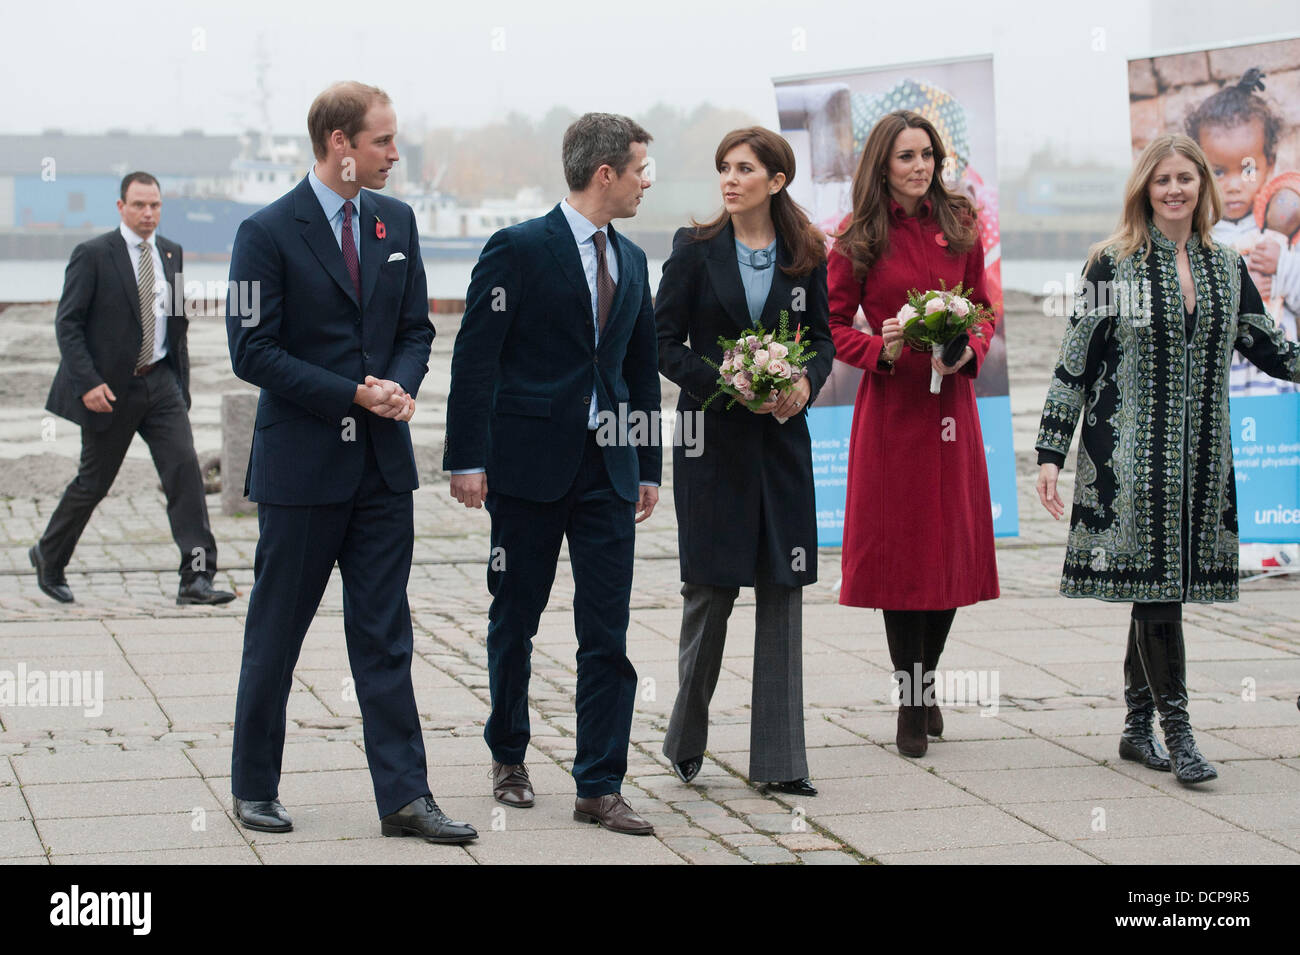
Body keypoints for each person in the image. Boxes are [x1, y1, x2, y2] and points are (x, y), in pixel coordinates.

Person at [225, 82, 475, 844]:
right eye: (383, 141)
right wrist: (350, 394)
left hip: (381, 473)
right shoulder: (263, 232)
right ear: (340, 143)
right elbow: (250, 351)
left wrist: (399, 385)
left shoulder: (396, 220)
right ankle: (253, 786)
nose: (395, 155)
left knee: (384, 634)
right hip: (301, 472)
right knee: (277, 630)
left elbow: (417, 330)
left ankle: (405, 797)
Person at [1035, 134, 1300, 785]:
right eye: (1163, 180)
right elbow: (1077, 362)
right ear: (1145, 189)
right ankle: (1178, 733)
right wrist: (1050, 452)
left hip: (1202, 459)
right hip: (1125, 459)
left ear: (1201, 189)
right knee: (1158, 590)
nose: (1176, 189)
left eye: (1186, 178)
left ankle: (1133, 728)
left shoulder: (1225, 266)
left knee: (1158, 586)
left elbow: (1270, 348)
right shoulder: (1112, 264)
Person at [444, 113, 662, 836]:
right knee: (516, 619)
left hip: (609, 473)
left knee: (608, 633)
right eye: (639, 169)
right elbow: (475, 359)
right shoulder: (517, 249)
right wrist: (467, 458)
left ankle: (599, 783)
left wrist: (650, 465)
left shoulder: (633, 261)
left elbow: (637, 372)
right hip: (527, 468)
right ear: (605, 173)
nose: (645, 183)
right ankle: (508, 753)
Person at [654, 127, 833, 795]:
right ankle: (687, 735)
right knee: (711, 589)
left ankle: (782, 763)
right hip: (712, 446)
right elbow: (662, 343)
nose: (730, 179)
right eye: (724, 168)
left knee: (783, 591)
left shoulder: (806, 255)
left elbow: (821, 338)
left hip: (783, 447)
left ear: (776, 180)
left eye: (745, 168)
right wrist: (727, 384)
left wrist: (803, 383)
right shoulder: (693, 252)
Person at [826, 110, 999, 759]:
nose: (920, 165)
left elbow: (983, 309)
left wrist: (968, 350)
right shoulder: (856, 236)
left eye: (927, 153)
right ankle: (909, 699)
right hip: (892, 410)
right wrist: (883, 349)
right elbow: (834, 326)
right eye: (906, 156)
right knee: (901, 557)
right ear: (883, 163)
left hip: (952, 409)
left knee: (948, 552)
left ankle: (926, 685)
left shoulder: (959, 222)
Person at [32, 172, 233, 607]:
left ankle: (195, 579)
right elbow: (68, 324)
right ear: (121, 207)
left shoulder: (170, 253)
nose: (148, 213)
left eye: (155, 205)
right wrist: (87, 383)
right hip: (109, 389)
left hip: (160, 383)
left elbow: (175, 326)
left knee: (185, 476)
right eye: (139, 205)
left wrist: (181, 385)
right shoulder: (92, 255)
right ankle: (48, 557)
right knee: (94, 482)